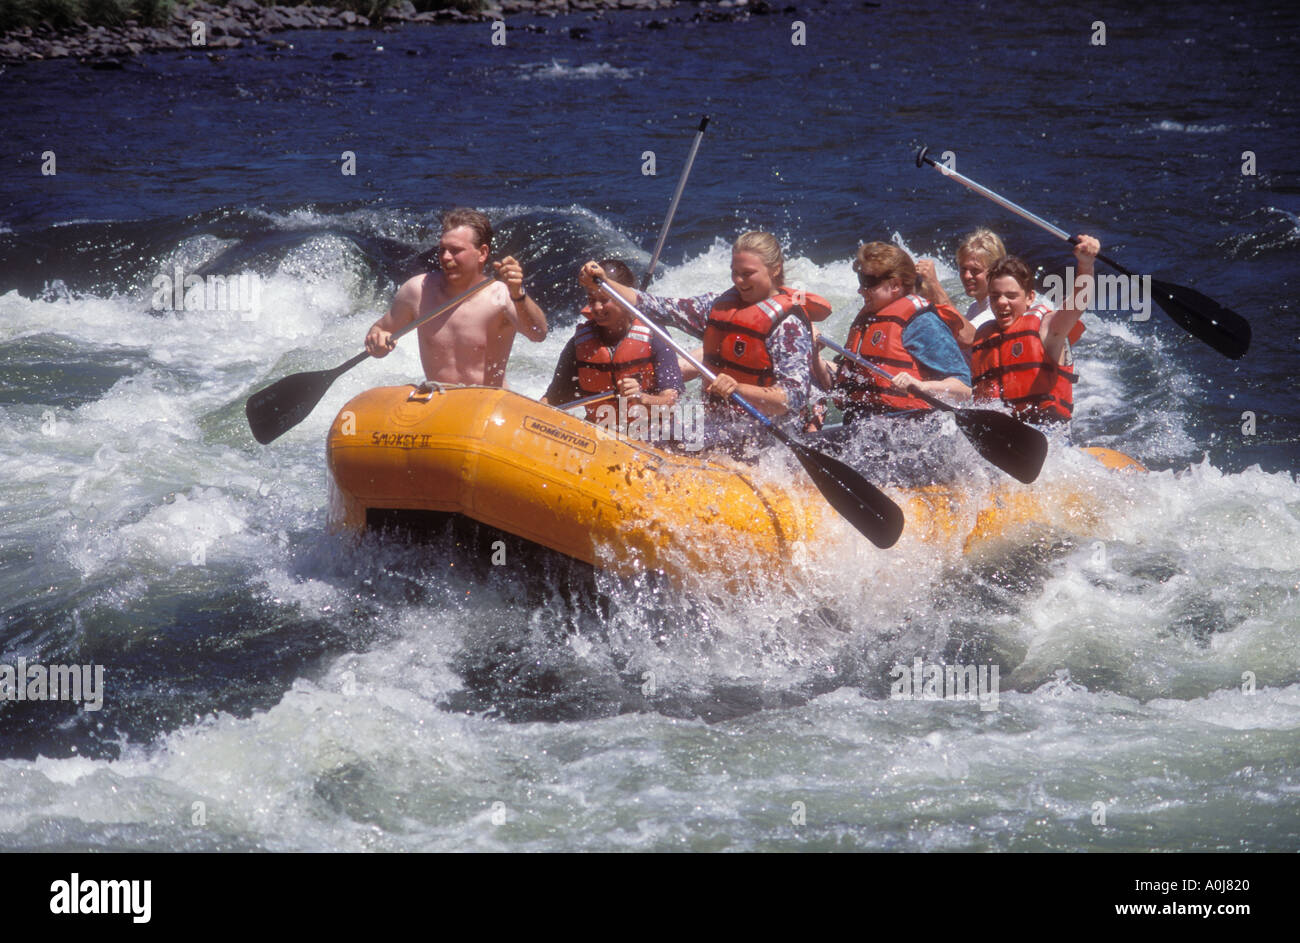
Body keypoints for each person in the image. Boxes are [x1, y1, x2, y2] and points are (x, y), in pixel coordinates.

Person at [583, 231, 832, 435]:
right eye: (735, 272)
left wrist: (739, 389)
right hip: (717, 428)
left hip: (768, 434)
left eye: (748, 274)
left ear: (775, 269)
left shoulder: (788, 326)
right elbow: (656, 306)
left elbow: (792, 398)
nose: (739, 280)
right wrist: (605, 283)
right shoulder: (714, 307)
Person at [363, 208, 547, 386]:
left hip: (487, 403)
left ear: (482, 253)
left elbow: (538, 334)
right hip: (439, 401)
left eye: (455, 250)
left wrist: (518, 294)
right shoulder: (417, 291)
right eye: (442, 249)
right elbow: (380, 329)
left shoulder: (501, 296)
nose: (445, 257)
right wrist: (377, 341)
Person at [813, 242, 971, 423]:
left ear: (895, 284)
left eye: (867, 282)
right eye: (860, 281)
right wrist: (815, 354)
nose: (860, 289)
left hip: (908, 428)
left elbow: (964, 389)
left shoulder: (921, 323)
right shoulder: (866, 322)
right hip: (862, 427)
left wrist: (921, 386)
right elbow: (841, 385)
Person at [541, 259, 684, 433]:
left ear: (624, 296)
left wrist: (642, 398)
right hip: (601, 438)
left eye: (604, 300)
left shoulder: (656, 336)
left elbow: (670, 402)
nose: (597, 307)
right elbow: (553, 400)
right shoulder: (578, 344)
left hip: (651, 436)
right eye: (591, 299)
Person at [969, 235, 1100, 425]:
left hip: (1045, 432)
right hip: (999, 433)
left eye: (1011, 296)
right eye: (995, 296)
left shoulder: (1047, 327)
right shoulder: (983, 336)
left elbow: (1078, 304)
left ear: (1030, 298)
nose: (1001, 302)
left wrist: (1086, 267)